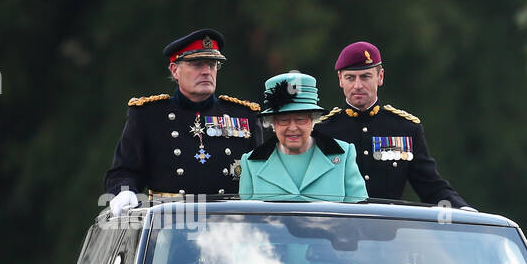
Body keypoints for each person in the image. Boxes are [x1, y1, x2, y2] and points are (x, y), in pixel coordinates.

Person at [104, 29, 262, 213]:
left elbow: (261, 175)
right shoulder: (148, 115)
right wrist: (125, 192)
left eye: (212, 65)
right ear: (175, 70)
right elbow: (124, 171)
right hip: (170, 225)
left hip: (228, 226)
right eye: (197, 65)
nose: (206, 72)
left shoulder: (243, 116)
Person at [315, 41, 469, 207]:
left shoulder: (405, 129)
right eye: (350, 78)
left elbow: (431, 187)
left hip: (386, 229)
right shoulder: (322, 131)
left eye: (365, 77)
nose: (357, 85)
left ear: (380, 77)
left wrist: (465, 211)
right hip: (337, 229)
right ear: (340, 80)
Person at [239, 72, 367, 203]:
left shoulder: (343, 156)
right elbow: (245, 220)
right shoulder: (251, 164)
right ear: (272, 123)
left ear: (313, 120)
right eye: (284, 120)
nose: (293, 128)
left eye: (300, 119)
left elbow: (362, 216)